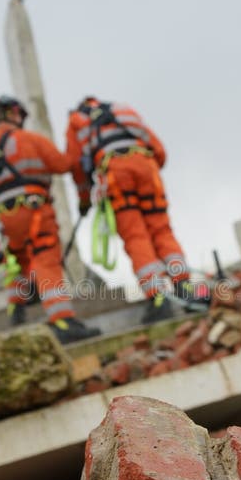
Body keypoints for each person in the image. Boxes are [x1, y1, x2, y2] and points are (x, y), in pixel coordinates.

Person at [65, 97, 208, 324]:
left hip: (114, 171)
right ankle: (184, 285)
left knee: (135, 235)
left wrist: (84, 200)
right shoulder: (122, 109)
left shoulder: (76, 121)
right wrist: (148, 170)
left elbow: (77, 166)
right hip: (146, 166)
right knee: (161, 230)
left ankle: (158, 298)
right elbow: (159, 150)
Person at [0, 95, 100, 343]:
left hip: (4, 219)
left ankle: (17, 308)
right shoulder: (30, 140)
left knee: (18, 262)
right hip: (34, 211)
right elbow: (64, 163)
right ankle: (62, 320)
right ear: (13, 114)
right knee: (45, 259)